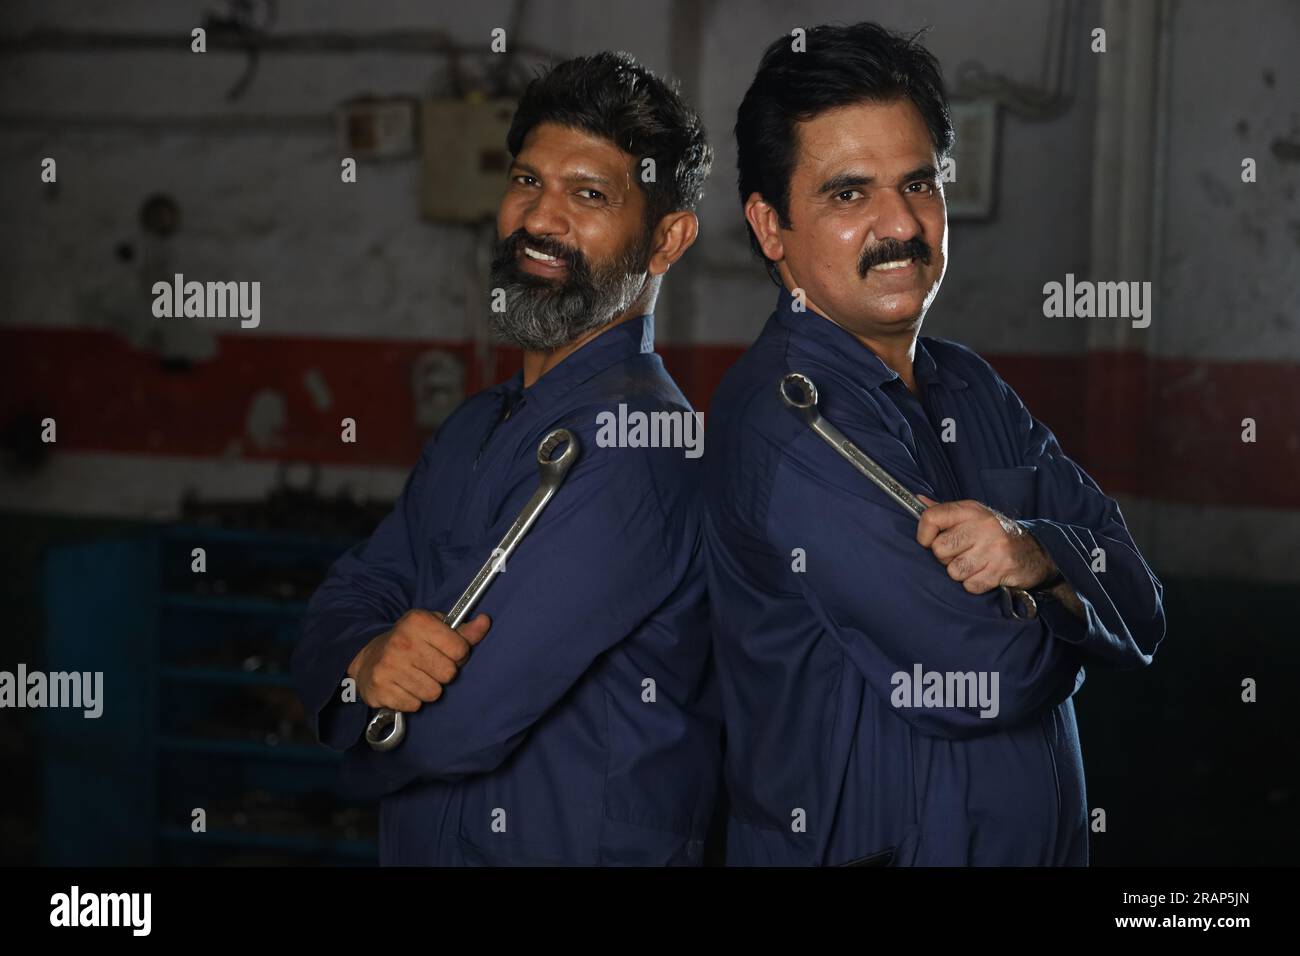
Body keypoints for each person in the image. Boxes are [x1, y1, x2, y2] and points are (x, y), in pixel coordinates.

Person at [703, 22, 1166, 865]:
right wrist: (1076, 601)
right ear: (771, 227)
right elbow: (991, 674)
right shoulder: (785, 418)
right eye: (849, 194)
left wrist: (1037, 552)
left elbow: (1142, 600)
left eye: (918, 184)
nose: (900, 224)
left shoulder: (972, 385)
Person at [292, 51, 721, 865]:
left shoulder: (644, 453)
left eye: (589, 195)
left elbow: (454, 726)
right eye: (527, 181)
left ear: (667, 239)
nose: (541, 219)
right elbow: (348, 596)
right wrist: (366, 656)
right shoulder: (476, 427)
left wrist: (369, 701)